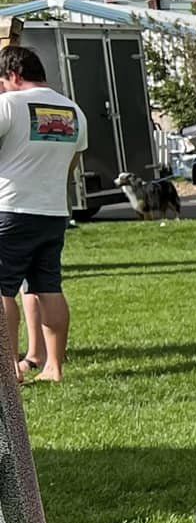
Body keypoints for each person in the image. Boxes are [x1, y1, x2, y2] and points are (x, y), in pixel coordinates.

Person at [0, 45, 87, 384]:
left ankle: (8, 372)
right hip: (52, 211)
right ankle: (54, 367)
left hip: (10, 208)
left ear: (14, 75)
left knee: (3, 289)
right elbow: (74, 161)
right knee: (48, 286)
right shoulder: (72, 110)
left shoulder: (7, 104)